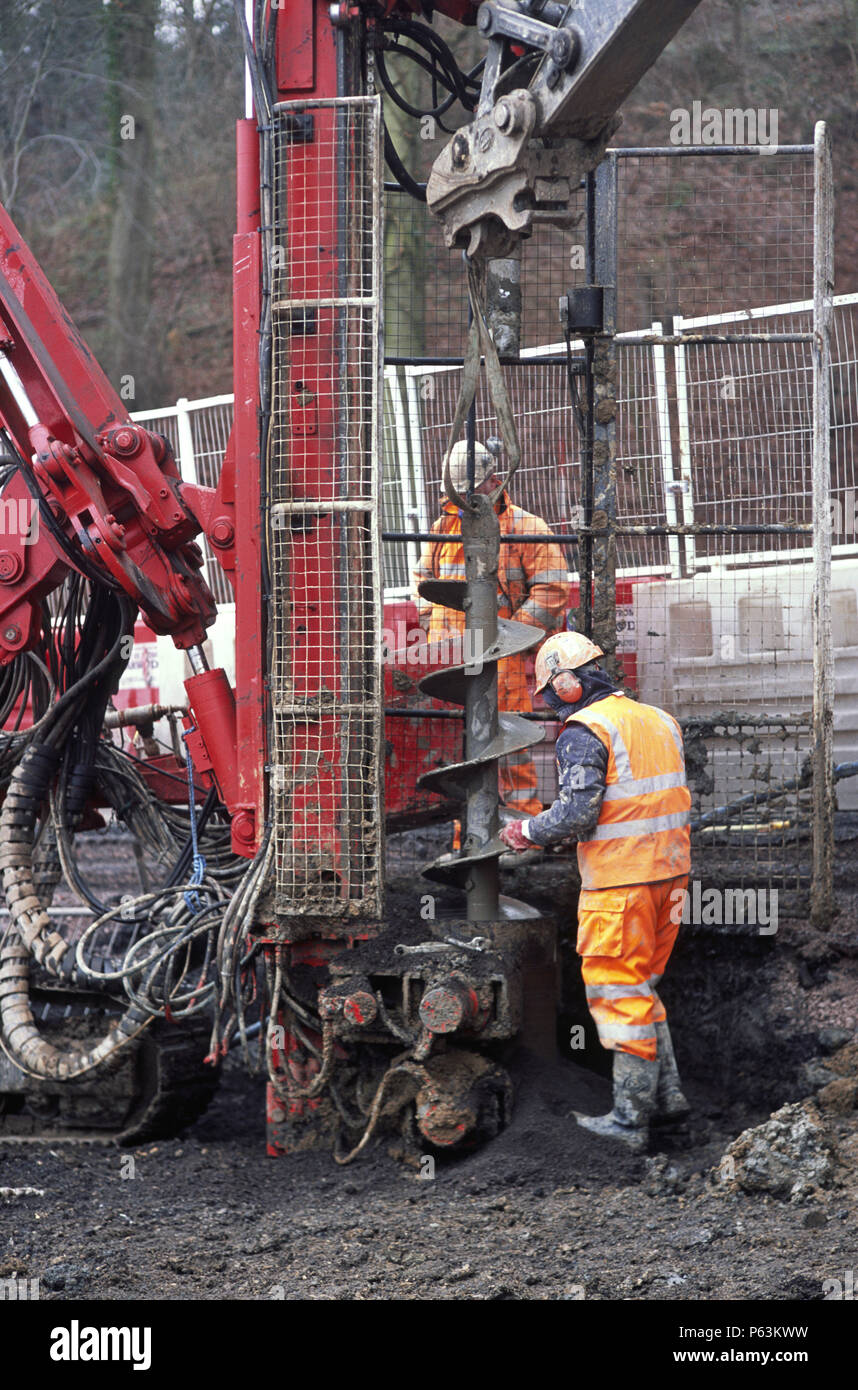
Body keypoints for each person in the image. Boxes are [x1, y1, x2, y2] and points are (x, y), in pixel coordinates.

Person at [499, 630, 692, 1152]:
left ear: (566, 683)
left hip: (621, 885)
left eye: (550, 693)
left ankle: (630, 1122)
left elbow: (578, 813)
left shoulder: (586, 731)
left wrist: (527, 831)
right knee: (640, 988)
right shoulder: (660, 720)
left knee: (617, 992)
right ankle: (668, 1105)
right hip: (671, 877)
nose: (552, 705)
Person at [412, 439, 569, 824]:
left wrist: (511, 638)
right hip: (451, 664)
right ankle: (469, 835)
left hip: (501, 661)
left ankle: (520, 830)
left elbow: (552, 589)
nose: (463, 498)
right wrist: (435, 631)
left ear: (493, 481)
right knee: (460, 753)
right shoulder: (442, 529)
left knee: (510, 748)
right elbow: (422, 582)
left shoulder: (527, 528)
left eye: (470, 488)